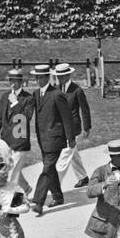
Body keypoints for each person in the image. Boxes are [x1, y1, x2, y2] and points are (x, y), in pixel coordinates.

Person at [29, 63, 76, 216]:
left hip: (55, 139)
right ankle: (57, 196)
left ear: (47, 77)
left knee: (46, 170)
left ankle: (38, 202)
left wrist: (71, 138)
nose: (38, 80)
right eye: (36, 77)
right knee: (50, 170)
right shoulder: (36, 94)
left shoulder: (57, 95)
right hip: (43, 139)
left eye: (41, 77)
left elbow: (67, 118)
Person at [0, 67, 36, 195]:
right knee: (13, 169)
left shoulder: (28, 98)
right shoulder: (5, 96)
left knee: (11, 173)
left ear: (21, 82)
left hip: (20, 141)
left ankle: (8, 201)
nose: (13, 83)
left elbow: (25, 118)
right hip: (6, 141)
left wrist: (15, 103)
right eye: (11, 81)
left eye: (16, 81)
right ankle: (27, 189)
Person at [52, 62, 92, 190]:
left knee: (64, 158)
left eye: (63, 76)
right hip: (61, 128)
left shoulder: (77, 90)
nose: (60, 78)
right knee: (73, 154)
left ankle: (55, 186)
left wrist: (87, 127)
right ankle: (83, 177)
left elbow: (85, 109)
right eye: (58, 76)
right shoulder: (56, 89)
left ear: (68, 75)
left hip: (73, 128)